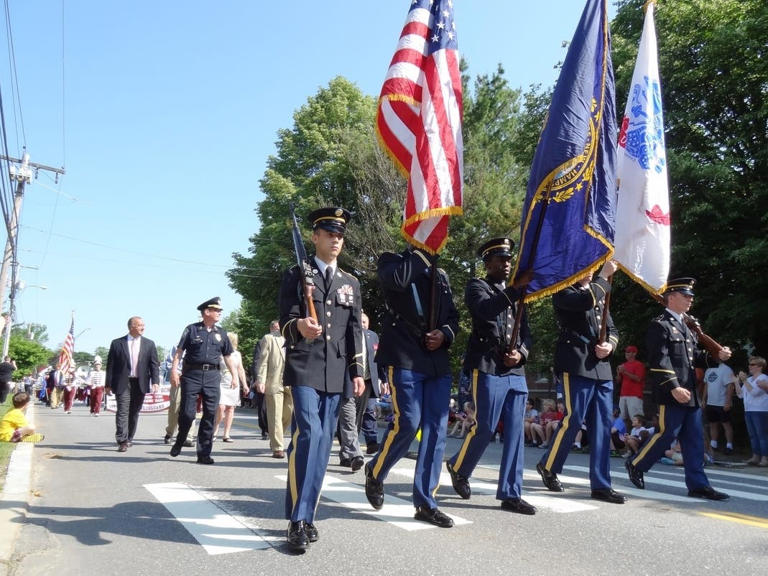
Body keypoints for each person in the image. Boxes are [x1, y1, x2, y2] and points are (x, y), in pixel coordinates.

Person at [279, 206, 364, 551]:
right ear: (314, 237)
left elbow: (355, 331)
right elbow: (285, 317)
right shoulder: (297, 274)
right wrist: (298, 325)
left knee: (323, 443)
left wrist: (358, 372)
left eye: (340, 235)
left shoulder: (351, 283)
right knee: (309, 434)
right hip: (305, 364)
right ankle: (298, 520)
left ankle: (306, 514)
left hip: (336, 371)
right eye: (329, 234)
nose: (336, 240)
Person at [364, 242, 459, 528]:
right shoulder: (391, 260)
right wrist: (422, 254)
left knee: (436, 430)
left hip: (436, 360)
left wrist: (444, 334)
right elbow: (397, 282)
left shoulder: (441, 276)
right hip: (404, 353)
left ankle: (426, 502)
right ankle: (376, 471)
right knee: (408, 423)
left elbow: (453, 316)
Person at [444, 237, 536, 514]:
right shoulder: (478, 286)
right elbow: (484, 310)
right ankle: (459, 467)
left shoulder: (516, 292)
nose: (507, 264)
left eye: (509, 259)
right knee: (485, 427)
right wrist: (514, 291)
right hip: (487, 366)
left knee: (516, 433)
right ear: (488, 263)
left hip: (515, 370)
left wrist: (521, 352)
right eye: (501, 259)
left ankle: (511, 493)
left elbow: (526, 333)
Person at [625, 277, 732, 500]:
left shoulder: (688, 326)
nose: (690, 300)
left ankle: (698, 485)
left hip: (690, 391)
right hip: (670, 391)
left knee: (694, 439)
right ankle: (636, 463)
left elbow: (695, 359)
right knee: (667, 435)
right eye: (686, 296)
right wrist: (673, 387)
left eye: (691, 296)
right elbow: (659, 360)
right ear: (671, 297)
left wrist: (717, 356)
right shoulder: (660, 325)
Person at [536, 260, 626, 504]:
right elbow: (584, 302)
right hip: (576, 362)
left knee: (602, 426)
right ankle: (549, 465)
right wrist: (604, 277)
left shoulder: (598, 294)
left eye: (594, 266)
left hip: (601, 368)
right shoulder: (564, 291)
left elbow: (613, 329)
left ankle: (601, 484)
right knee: (574, 419)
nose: (591, 270)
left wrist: (610, 346)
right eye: (587, 266)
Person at [169, 297, 239, 464]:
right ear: (207, 312)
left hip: (212, 376)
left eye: (220, 311)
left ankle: (204, 454)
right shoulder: (191, 330)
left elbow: (228, 356)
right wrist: (174, 370)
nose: (219, 313)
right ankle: (181, 438)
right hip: (191, 375)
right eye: (216, 310)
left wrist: (234, 375)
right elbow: (179, 352)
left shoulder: (221, 333)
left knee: (210, 414)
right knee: (187, 413)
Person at [106, 317, 160, 452]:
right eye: (140, 325)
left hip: (140, 382)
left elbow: (154, 365)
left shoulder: (149, 344)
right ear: (131, 327)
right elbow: (110, 365)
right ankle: (122, 440)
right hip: (123, 382)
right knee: (123, 411)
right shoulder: (117, 343)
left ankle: (129, 437)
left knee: (134, 412)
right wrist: (108, 384)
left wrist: (155, 381)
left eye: (143, 324)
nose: (143, 327)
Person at [255, 320, 291, 458]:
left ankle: (275, 435)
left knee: (288, 413)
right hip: (274, 381)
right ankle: (278, 447)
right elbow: (263, 361)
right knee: (275, 414)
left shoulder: (295, 336)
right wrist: (260, 380)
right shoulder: (269, 338)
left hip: (291, 382)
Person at [356, 312, 387, 455]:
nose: (362, 324)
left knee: (370, 411)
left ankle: (372, 442)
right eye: (360, 321)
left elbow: (379, 360)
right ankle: (350, 443)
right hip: (354, 381)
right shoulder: (352, 335)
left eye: (364, 322)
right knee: (353, 414)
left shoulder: (373, 336)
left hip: (370, 381)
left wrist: (384, 380)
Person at [214, 332, 248, 443]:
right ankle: (215, 429)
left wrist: (245, 385)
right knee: (221, 407)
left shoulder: (237, 354)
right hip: (221, 380)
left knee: (230, 408)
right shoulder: (219, 353)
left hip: (234, 381)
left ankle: (226, 434)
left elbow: (240, 370)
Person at [734, 357, 768, 466]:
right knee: (753, 435)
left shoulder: (763, 378)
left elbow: (754, 393)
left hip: (760, 410)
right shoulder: (749, 379)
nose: (750, 366)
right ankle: (755, 456)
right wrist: (736, 383)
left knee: (761, 435)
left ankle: (765, 458)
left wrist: (744, 381)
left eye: (753, 364)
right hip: (748, 410)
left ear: (760, 367)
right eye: (749, 364)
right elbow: (740, 395)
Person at [702, 360, 735, 455]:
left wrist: (727, 402)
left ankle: (729, 445)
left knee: (726, 424)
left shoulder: (726, 369)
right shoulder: (709, 370)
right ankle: (713, 444)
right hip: (711, 402)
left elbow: (730, 386)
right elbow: (706, 385)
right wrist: (704, 399)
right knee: (713, 424)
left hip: (722, 402)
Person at [615, 345, 646, 429]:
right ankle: (626, 436)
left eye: (629, 352)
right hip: (623, 394)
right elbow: (618, 381)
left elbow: (638, 379)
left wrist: (624, 372)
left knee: (636, 418)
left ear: (634, 353)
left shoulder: (639, 365)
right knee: (623, 417)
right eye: (626, 352)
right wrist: (618, 373)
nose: (626, 353)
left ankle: (638, 437)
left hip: (635, 395)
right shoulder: (623, 365)